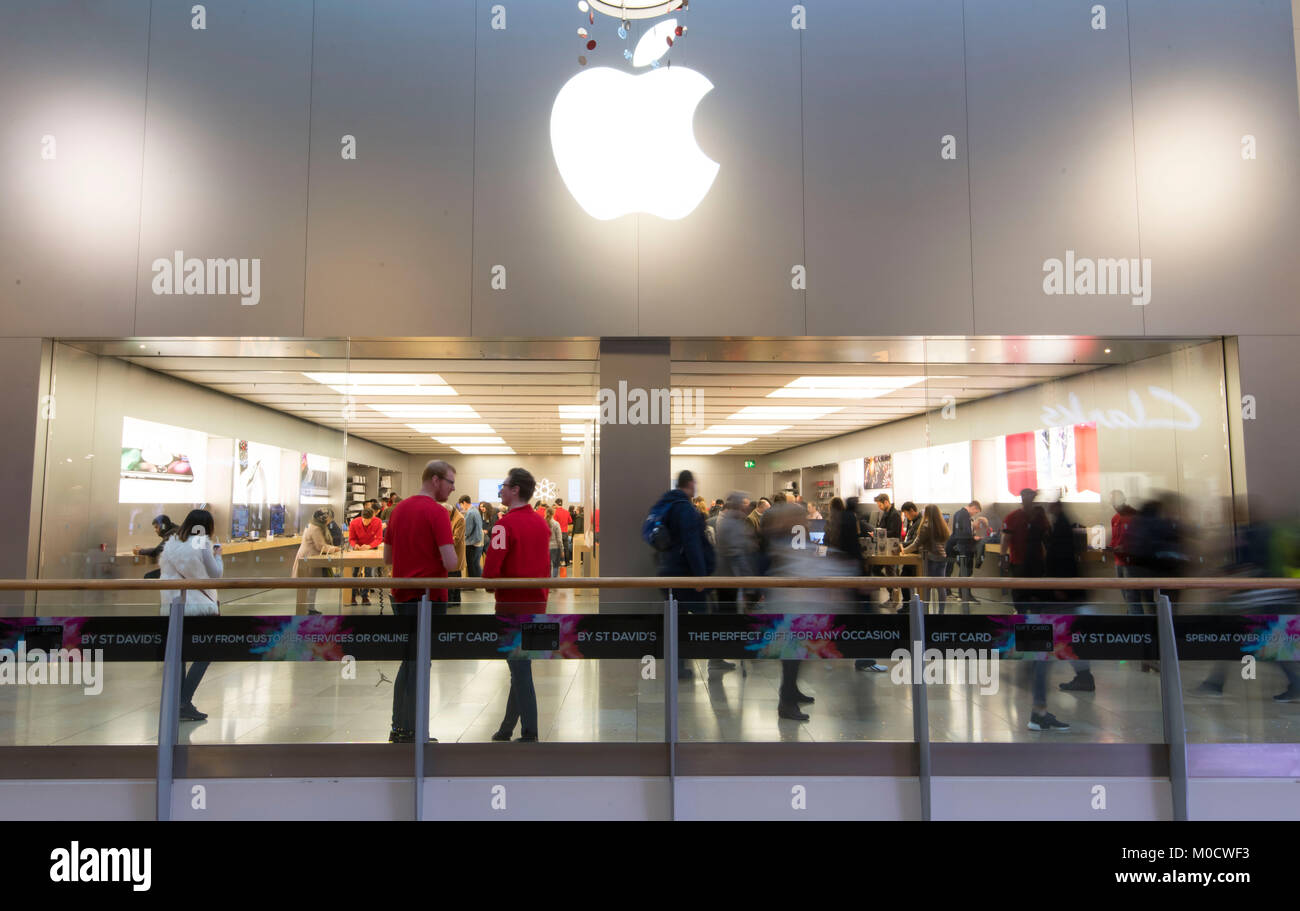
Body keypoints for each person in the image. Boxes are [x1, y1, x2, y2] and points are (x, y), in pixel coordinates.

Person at [384, 461, 459, 743]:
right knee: (421, 663)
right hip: (428, 597)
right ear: (436, 480)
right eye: (451, 482)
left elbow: (387, 558)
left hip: (400, 595)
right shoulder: (438, 513)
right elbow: (451, 562)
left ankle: (400, 727)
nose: (453, 488)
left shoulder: (398, 509)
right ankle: (415, 731)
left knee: (409, 661)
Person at [485, 467, 552, 743]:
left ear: (515, 490)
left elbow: (490, 575)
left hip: (511, 606)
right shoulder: (541, 524)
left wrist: (491, 583)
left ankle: (530, 731)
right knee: (521, 666)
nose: (500, 490)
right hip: (538, 604)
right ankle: (506, 728)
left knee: (520, 670)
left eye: (503, 485)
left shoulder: (503, 525)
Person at [1001, 489, 1068, 732]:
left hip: (1036, 568)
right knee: (1021, 607)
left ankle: (1033, 642)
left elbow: (1047, 538)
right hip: (1020, 566)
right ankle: (1026, 642)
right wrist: (1003, 560)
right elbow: (1006, 540)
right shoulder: (1013, 517)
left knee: (1036, 608)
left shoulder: (1039, 518)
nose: (1028, 501)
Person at [649, 470, 717, 679]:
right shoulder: (685, 509)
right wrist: (700, 577)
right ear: (690, 484)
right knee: (703, 619)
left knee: (676, 622)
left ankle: (678, 666)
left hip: (670, 572)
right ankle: (714, 656)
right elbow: (692, 544)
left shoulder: (668, 504)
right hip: (685, 575)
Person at [159, 509, 222, 722]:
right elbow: (215, 575)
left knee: (179, 655)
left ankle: (177, 703)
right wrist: (219, 556)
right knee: (206, 653)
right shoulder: (202, 543)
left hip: (174, 606)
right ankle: (184, 701)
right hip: (199, 607)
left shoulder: (171, 543)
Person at [714, 491, 759, 613]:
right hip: (732, 579)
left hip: (727, 578)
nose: (746, 507)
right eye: (744, 503)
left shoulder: (731, 522)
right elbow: (738, 556)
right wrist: (749, 587)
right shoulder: (733, 525)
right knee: (731, 615)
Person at [903, 504, 949, 612]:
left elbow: (916, 544)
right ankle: (942, 612)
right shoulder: (942, 525)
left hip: (929, 559)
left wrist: (903, 551)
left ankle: (925, 612)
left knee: (926, 587)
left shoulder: (926, 526)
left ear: (927, 513)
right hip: (942, 558)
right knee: (941, 587)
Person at [293, 509, 340, 615]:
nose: (328, 522)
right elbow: (320, 546)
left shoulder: (311, 525)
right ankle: (309, 609)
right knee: (311, 584)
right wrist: (335, 549)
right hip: (309, 558)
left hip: (307, 556)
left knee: (309, 585)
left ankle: (309, 608)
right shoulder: (316, 529)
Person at [947, 500, 981, 611]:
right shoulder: (964, 514)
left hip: (957, 546)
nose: (974, 514)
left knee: (964, 570)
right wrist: (973, 537)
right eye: (975, 512)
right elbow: (964, 532)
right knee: (966, 570)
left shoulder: (958, 513)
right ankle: (965, 595)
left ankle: (963, 594)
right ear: (974, 507)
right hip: (963, 547)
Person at [1109, 491, 1139, 613]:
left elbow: (1139, 539)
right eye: (1112, 502)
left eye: (1114, 502)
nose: (1113, 505)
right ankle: (1132, 615)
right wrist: (1109, 547)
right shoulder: (1115, 518)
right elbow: (1115, 539)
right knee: (1127, 595)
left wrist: (1126, 547)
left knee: (1132, 595)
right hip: (1119, 561)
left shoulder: (1134, 516)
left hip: (1131, 562)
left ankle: (1137, 621)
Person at [347, 505, 383, 606]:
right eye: (364, 520)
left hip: (371, 550)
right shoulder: (354, 522)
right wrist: (355, 545)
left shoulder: (378, 522)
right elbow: (351, 538)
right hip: (357, 550)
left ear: (373, 517)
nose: (366, 522)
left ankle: (364, 596)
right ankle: (353, 596)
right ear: (361, 517)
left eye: (368, 520)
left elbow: (379, 538)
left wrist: (370, 546)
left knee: (369, 573)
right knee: (354, 573)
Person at [134, 514, 178, 579]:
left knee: (148, 577)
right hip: (178, 568)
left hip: (177, 571)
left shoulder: (172, 534)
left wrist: (140, 551)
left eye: (156, 527)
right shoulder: (175, 530)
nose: (155, 530)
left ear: (163, 527)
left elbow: (156, 551)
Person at [897, 501, 921, 604]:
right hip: (910, 554)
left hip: (914, 556)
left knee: (905, 579)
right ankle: (908, 603)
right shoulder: (912, 521)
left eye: (906, 513)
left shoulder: (919, 522)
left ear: (912, 510)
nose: (906, 516)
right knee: (905, 580)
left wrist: (902, 545)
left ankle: (908, 604)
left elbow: (915, 541)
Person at [447, 499, 467, 606]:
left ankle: (453, 601)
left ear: (449, 512)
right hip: (450, 553)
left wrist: (443, 544)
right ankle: (454, 600)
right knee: (453, 576)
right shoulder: (451, 516)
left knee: (453, 577)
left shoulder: (460, 519)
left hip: (456, 553)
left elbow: (456, 538)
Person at [460, 495, 484, 584]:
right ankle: (479, 583)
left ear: (464, 503)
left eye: (461, 505)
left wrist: (461, 537)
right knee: (476, 564)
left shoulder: (470, 513)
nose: (462, 507)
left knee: (471, 565)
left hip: (471, 542)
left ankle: (472, 584)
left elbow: (467, 530)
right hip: (478, 541)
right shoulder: (476, 511)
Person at [553, 498, 572, 566]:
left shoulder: (555, 512)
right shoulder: (566, 512)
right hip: (565, 532)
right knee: (566, 548)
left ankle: (559, 562)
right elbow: (570, 521)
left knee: (558, 548)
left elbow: (554, 523)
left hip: (558, 533)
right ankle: (567, 562)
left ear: (556, 504)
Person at [545, 506, 563, 577]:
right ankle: (554, 582)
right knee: (555, 565)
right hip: (555, 547)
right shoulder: (556, 524)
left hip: (545, 547)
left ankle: (548, 581)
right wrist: (562, 549)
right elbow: (559, 539)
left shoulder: (542, 522)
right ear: (553, 514)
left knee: (547, 566)